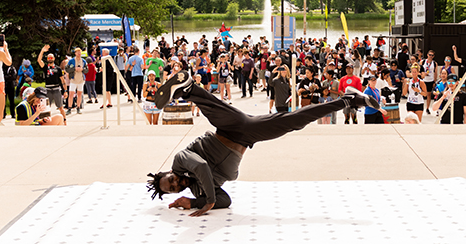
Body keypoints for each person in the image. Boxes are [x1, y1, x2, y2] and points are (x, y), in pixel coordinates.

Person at [145, 71, 379, 216]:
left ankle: (188, 88)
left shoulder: (180, 162)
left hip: (230, 128)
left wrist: (208, 202)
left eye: (172, 180)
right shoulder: (197, 190)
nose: (177, 183)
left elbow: (202, 167)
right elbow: (226, 201)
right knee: (295, 121)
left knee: (213, 109)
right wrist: (197, 202)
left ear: (169, 172)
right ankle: (348, 99)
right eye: (175, 188)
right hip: (246, 136)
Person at [36, 45, 65, 111]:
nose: (50, 59)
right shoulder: (45, 68)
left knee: (60, 107)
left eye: (51, 57)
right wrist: (42, 51)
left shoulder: (58, 68)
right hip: (48, 89)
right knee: (46, 107)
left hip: (56, 89)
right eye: (48, 58)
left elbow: (62, 80)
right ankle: (47, 120)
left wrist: (65, 91)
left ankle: (64, 120)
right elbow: (39, 60)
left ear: (54, 58)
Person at [64, 48, 86, 114]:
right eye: (77, 52)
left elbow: (86, 70)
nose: (79, 54)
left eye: (80, 52)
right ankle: (69, 108)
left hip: (81, 79)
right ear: (75, 53)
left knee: (79, 94)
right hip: (73, 79)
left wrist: (82, 69)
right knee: (71, 94)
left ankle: (78, 107)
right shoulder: (71, 60)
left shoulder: (83, 61)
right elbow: (67, 69)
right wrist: (74, 69)